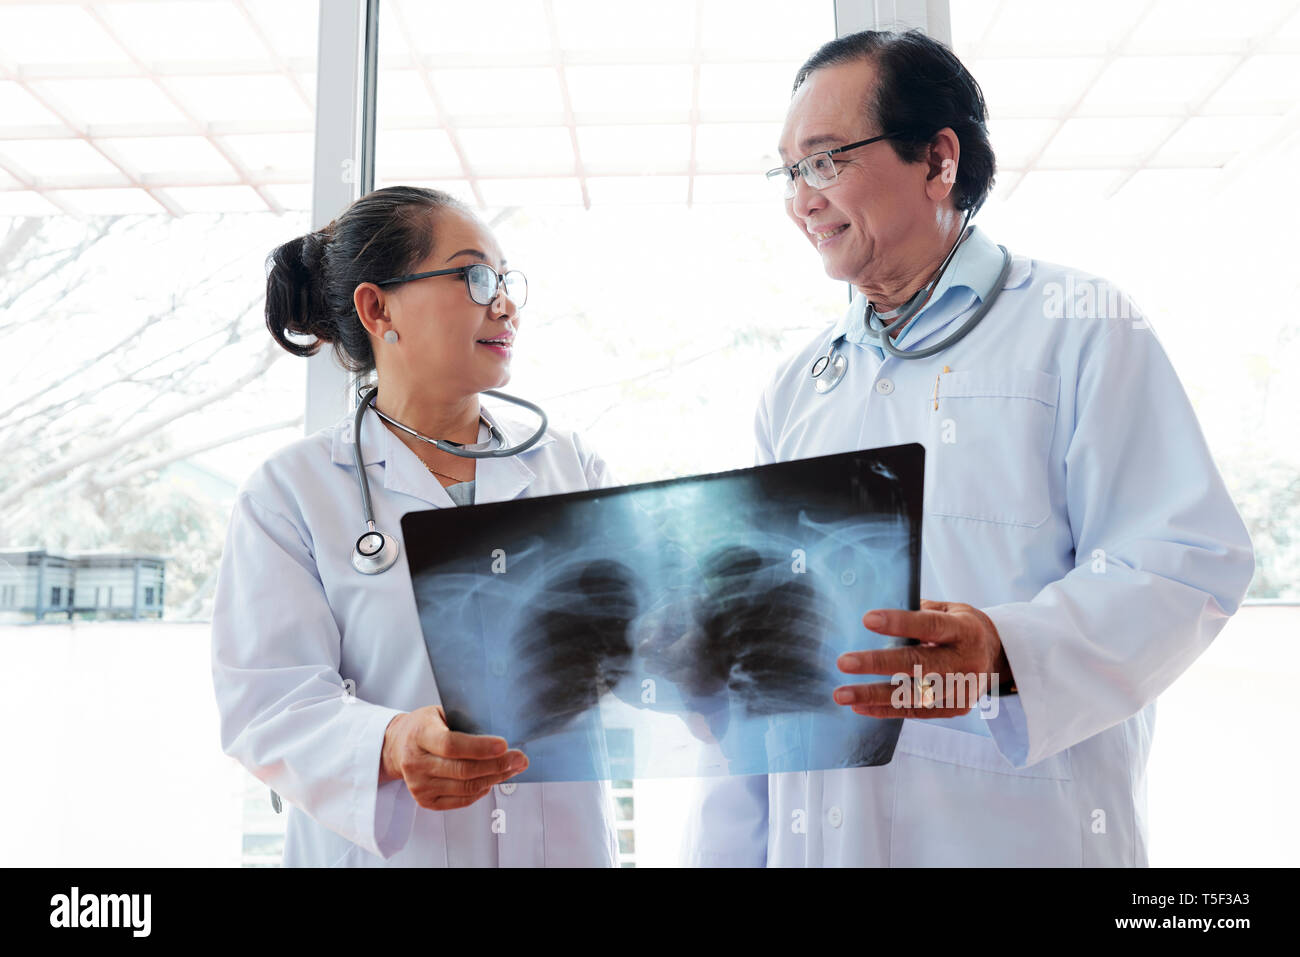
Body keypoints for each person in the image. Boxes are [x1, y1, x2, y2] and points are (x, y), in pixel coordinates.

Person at [683, 29, 1255, 866]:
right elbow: (762, 670)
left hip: (1017, 835)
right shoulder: (797, 387)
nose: (802, 199)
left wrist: (1005, 652)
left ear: (937, 158)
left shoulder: (1080, 326)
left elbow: (1183, 561)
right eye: (788, 172)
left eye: (826, 159)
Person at [210, 186, 621, 866]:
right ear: (378, 307)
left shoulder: (571, 466)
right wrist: (391, 742)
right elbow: (268, 704)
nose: (505, 302)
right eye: (474, 276)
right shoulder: (293, 493)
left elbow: (646, 644)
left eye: (506, 279)